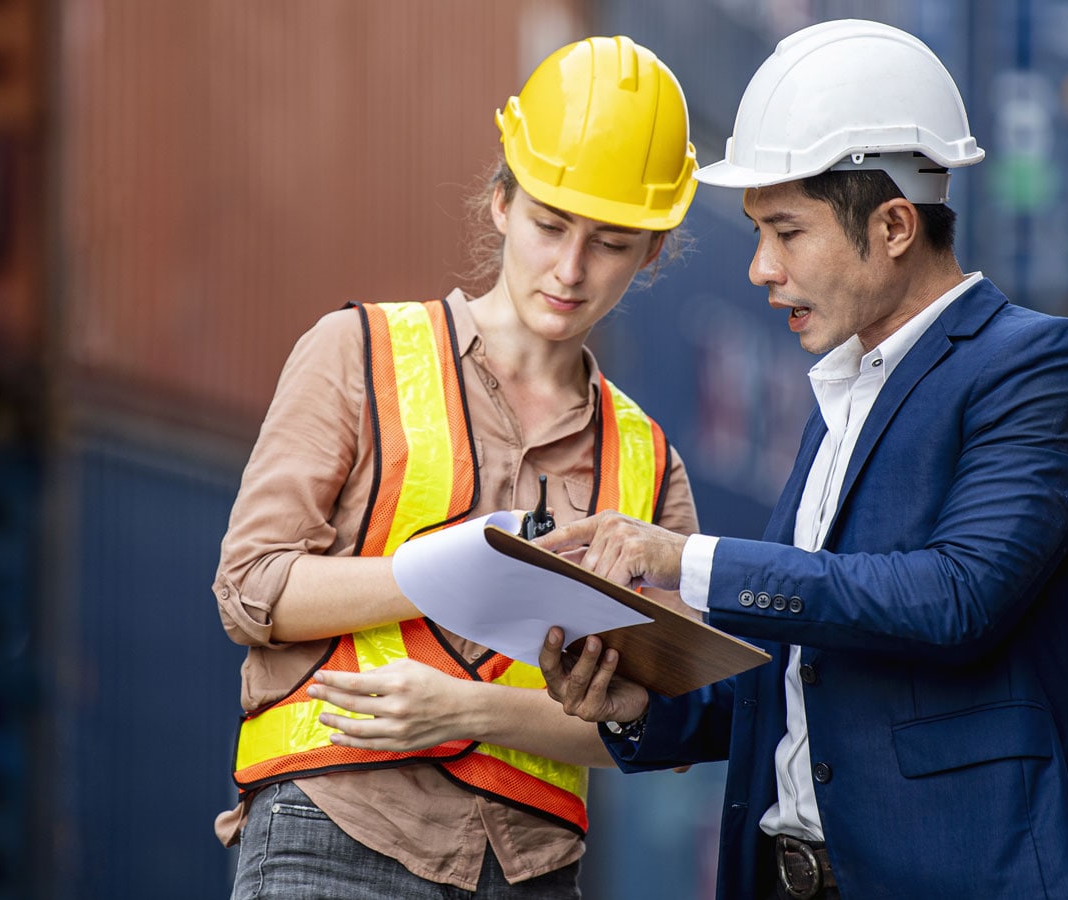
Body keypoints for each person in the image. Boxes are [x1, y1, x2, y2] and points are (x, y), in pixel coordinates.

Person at [535, 19, 1068, 900]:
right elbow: (812, 682)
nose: (760, 268)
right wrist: (645, 705)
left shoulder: (1040, 369)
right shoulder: (841, 403)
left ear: (893, 224)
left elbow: (956, 599)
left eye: (786, 231)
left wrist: (683, 559)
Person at [211, 36, 702, 900]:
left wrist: (468, 711)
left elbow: (662, 715)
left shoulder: (649, 464)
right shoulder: (356, 354)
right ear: (502, 203)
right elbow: (251, 588)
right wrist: (456, 571)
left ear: (652, 252)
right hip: (334, 830)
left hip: (532, 870)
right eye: (550, 225)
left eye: (612, 243)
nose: (570, 268)